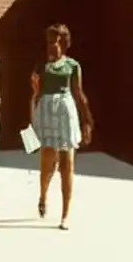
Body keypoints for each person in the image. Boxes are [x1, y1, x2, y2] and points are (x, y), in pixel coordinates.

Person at [30, 23, 93, 231]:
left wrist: (87, 121)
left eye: (56, 42)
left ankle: (65, 214)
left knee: (67, 163)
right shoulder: (40, 66)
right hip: (46, 112)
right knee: (48, 160)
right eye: (49, 42)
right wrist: (31, 120)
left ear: (64, 44)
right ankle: (43, 195)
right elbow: (35, 95)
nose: (52, 46)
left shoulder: (73, 66)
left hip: (66, 112)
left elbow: (78, 94)